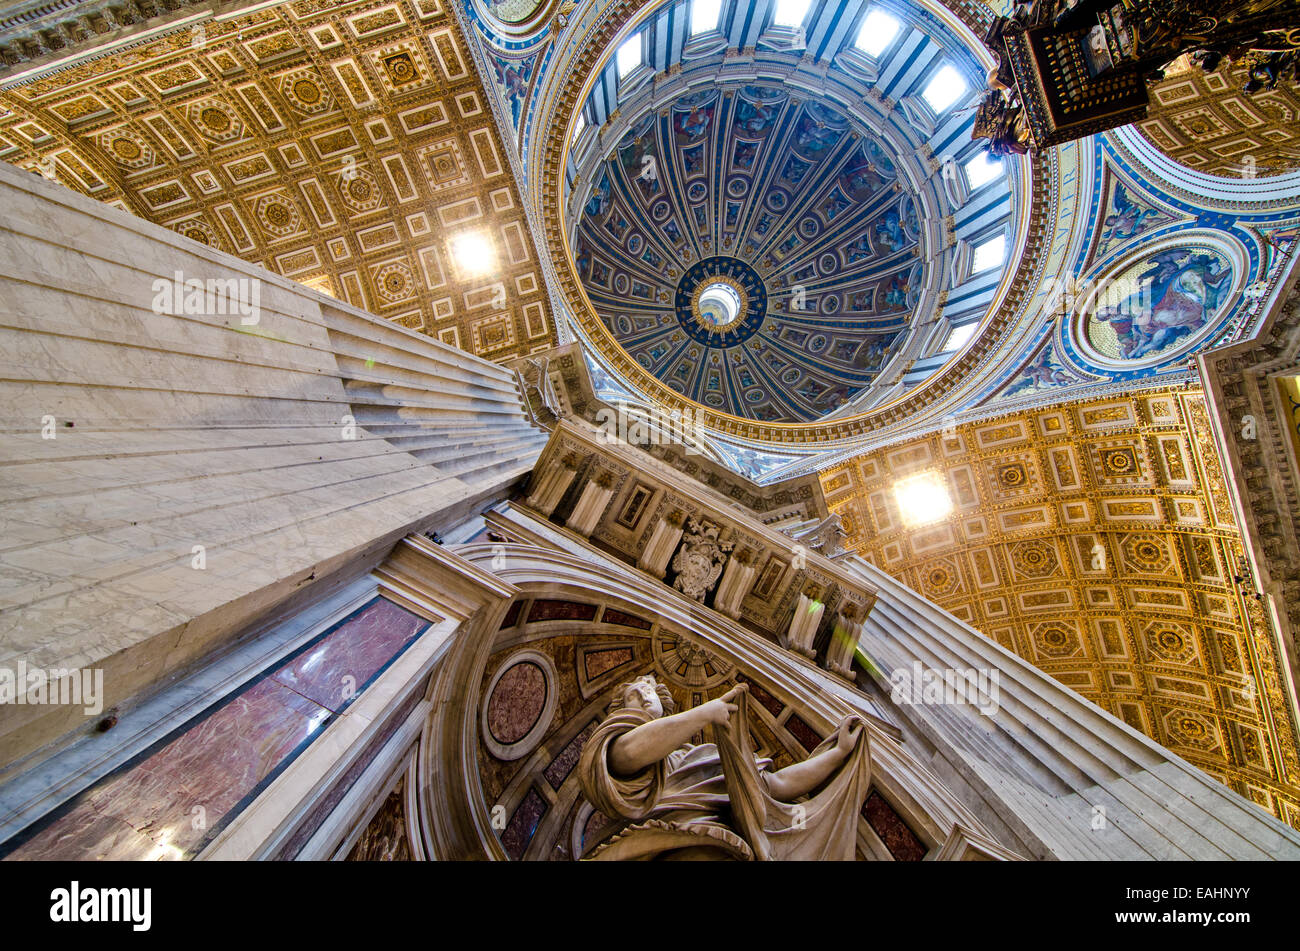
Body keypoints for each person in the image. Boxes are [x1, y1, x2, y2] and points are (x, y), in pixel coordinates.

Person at [578, 674, 871, 860]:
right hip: (649, 847)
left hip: (719, 846)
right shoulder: (609, 746)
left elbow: (775, 785)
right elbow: (631, 753)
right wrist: (706, 713)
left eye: (647, 690)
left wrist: (838, 754)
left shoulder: (703, 756)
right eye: (633, 693)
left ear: (664, 704)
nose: (642, 695)